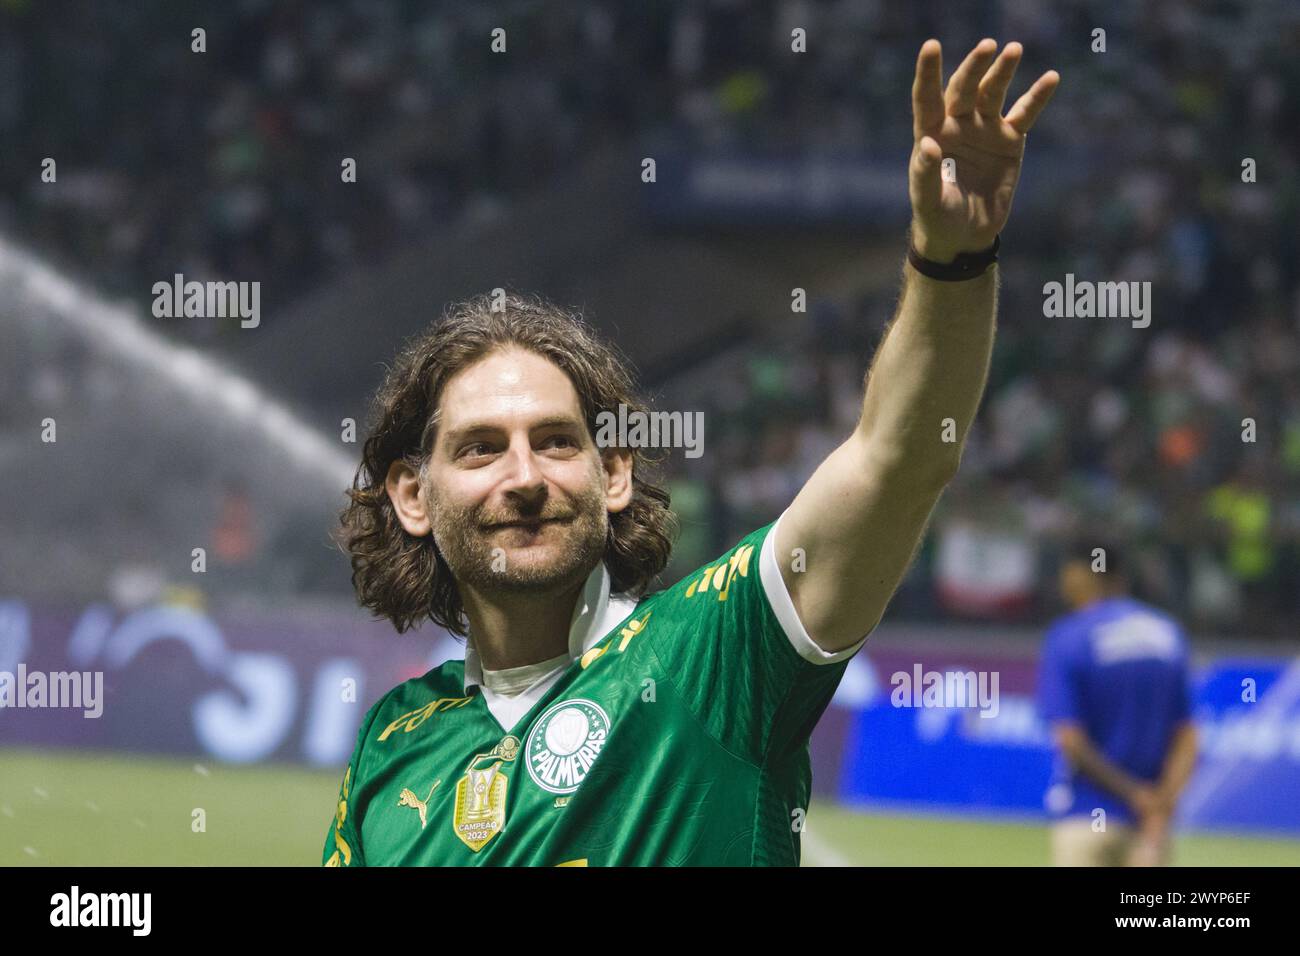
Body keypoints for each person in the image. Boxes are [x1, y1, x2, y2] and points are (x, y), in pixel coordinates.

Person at [321, 38, 1059, 865]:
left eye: (558, 441)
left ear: (613, 474)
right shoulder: (391, 744)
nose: (524, 478)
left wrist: (951, 262)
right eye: (481, 449)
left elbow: (898, 456)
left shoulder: (714, 658)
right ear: (413, 496)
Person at [1037, 542, 1199, 866]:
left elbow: (1070, 739)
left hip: (1087, 813)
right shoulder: (1166, 634)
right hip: (1149, 824)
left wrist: (1132, 794)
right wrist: (1160, 802)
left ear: (1081, 575)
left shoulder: (1069, 636)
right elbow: (1187, 736)